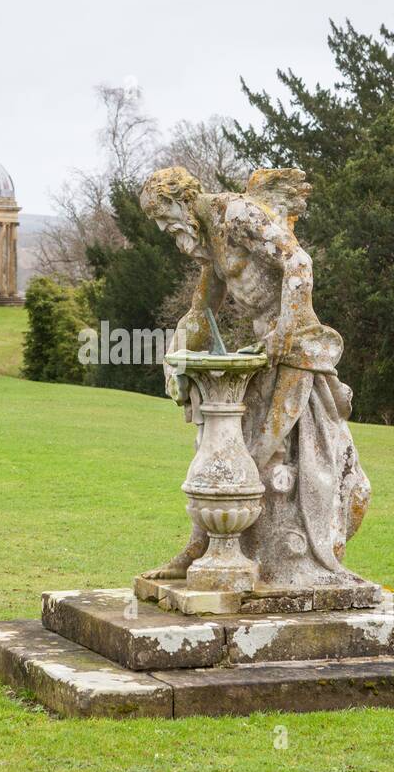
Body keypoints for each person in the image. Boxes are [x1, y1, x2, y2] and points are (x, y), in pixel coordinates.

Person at [139, 166, 371, 587]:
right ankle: (206, 544)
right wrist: (180, 353)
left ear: (181, 200)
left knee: (267, 447)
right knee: (225, 436)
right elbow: (203, 305)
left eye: (162, 215)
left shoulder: (236, 215)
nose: (163, 227)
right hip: (266, 347)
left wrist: (286, 328)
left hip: (297, 344)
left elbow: (299, 263)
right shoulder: (210, 239)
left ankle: (289, 551)